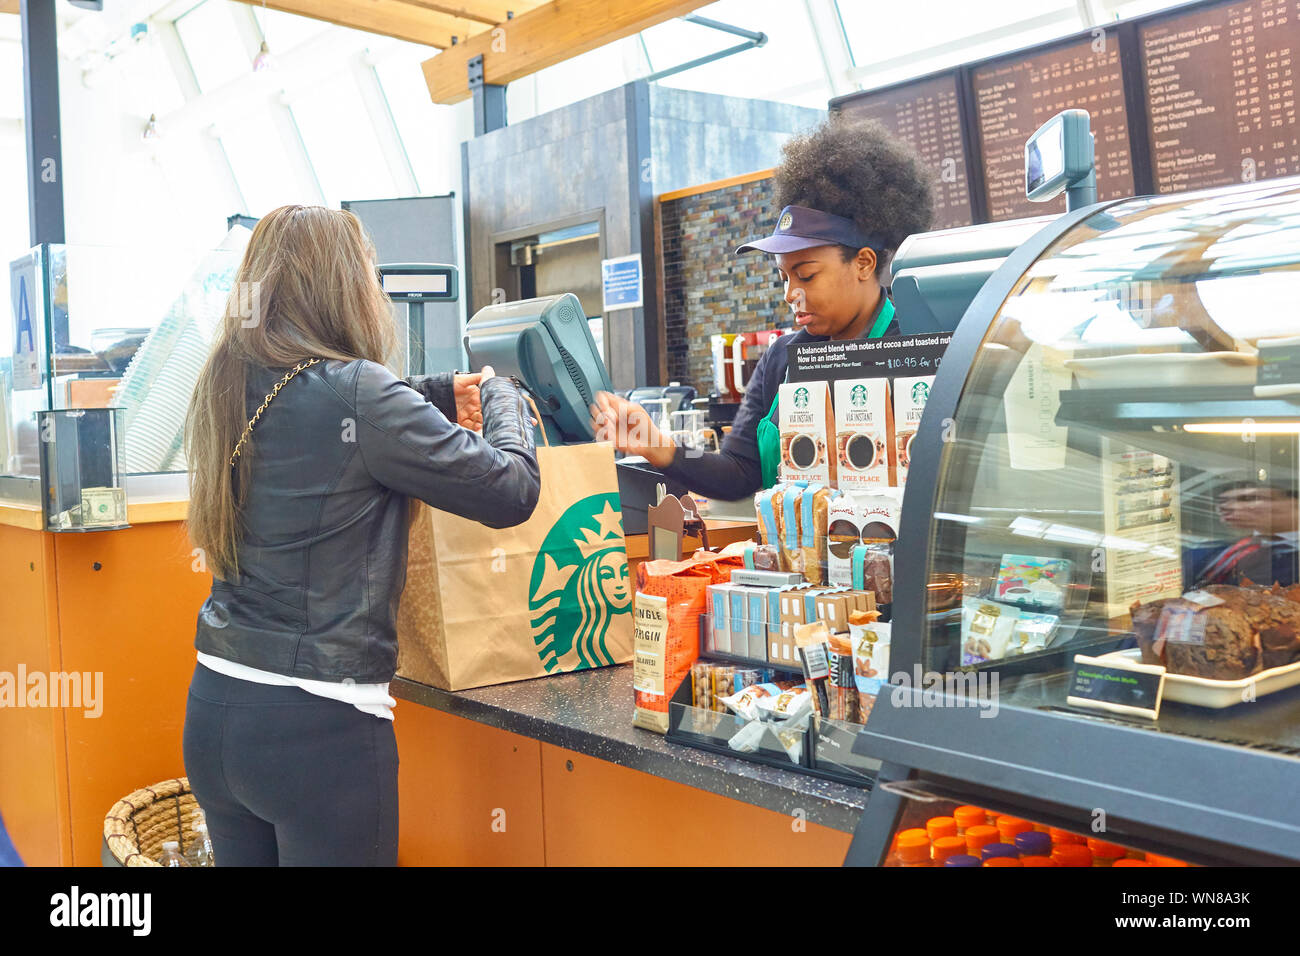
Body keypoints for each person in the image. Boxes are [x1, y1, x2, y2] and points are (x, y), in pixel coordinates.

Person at [181, 205, 540, 866]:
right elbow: (512, 490)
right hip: (318, 730)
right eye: (372, 278)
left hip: (216, 713)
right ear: (345, 290)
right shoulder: (358, 392)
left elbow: (322, 423)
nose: (378, 294)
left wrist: (427, 395)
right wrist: (504, 396)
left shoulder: (227, 384)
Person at [591, 116, 934, 498]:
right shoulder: (781, 359)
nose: (791, 293)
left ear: (864, 264)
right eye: (784, 277)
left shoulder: (919, 347)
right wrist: (657, 443)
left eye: (806, 275)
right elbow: (738, 471)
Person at [1185, 478, 1300, 588]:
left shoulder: (1292, 554)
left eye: (1248, 499)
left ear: (1294, 503)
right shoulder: (1206, 550)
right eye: (1222, 501)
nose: (1225, 507)